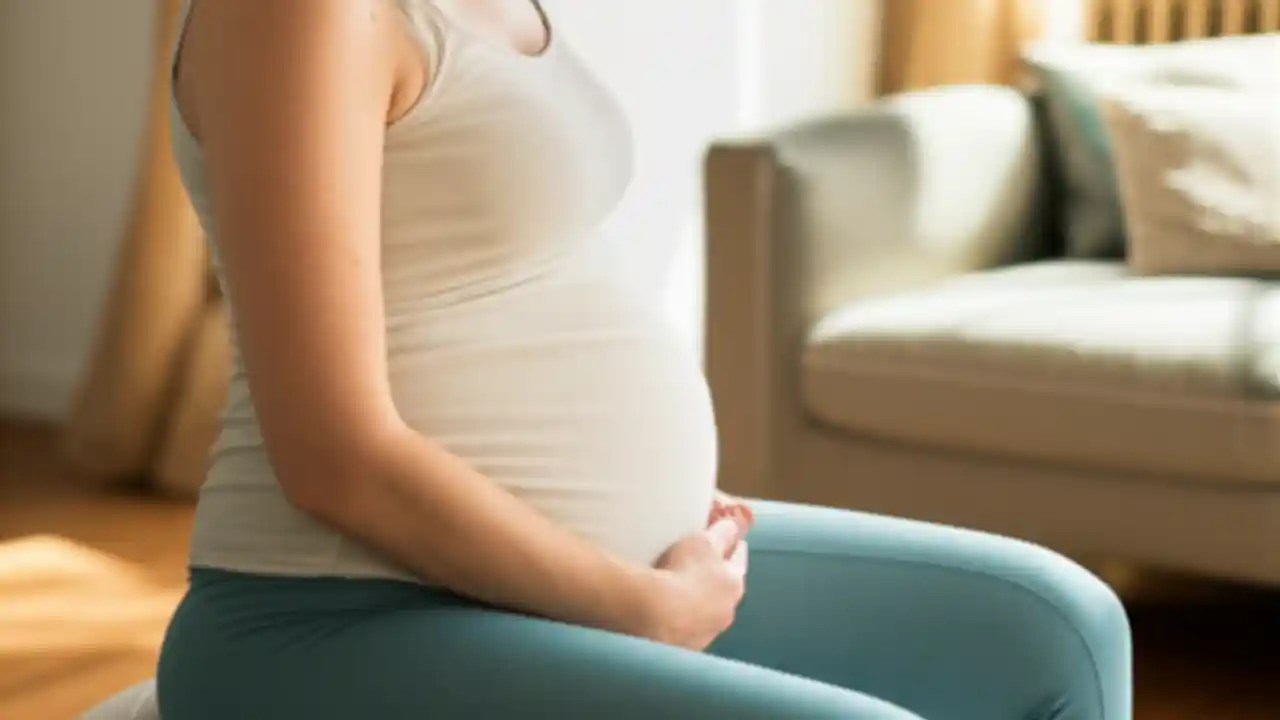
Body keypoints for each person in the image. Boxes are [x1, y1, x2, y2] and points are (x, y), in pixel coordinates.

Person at [156, 1, 1133, 717]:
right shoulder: (294, 13)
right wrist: (642, 606)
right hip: (336, 619)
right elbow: (331, 453)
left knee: (1056, 629)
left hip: (590, 576)